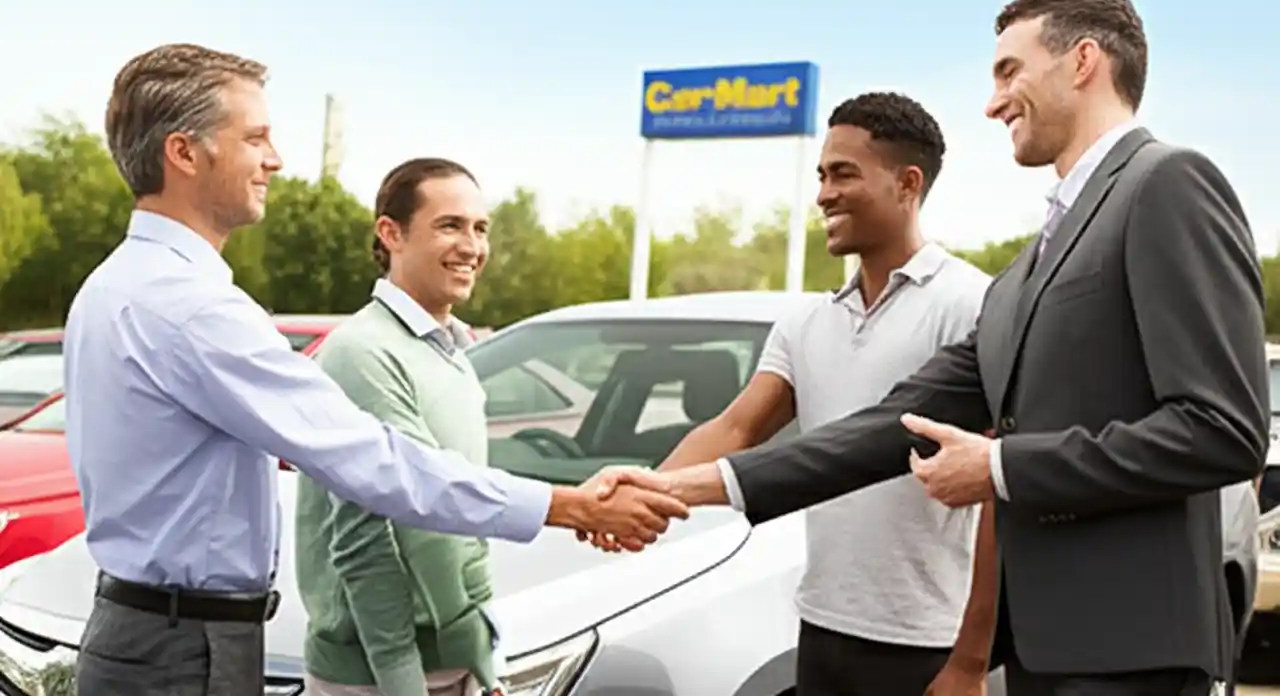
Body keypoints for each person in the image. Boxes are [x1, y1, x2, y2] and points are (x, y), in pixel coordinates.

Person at [616, 0, 1270, 694]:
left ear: (1084, 61)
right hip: (1048, 655)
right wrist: (678, 487)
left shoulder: (1167, 183)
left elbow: (1222, 430)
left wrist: (1001, 468)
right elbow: (886, 428)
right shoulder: (1027, 270)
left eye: (1009, 72)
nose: (993, 103)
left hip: (1132, 655)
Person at [64, 43, 685, 695]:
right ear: (184, 153)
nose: (275, 159)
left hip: (153, 634)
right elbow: (369, 461)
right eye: (255, 137)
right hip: (185, 652)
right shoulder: (191, 307)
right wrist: (567, 505)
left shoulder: (116, 285)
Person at [651, 93, 996, 696]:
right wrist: (637, 493)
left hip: (928, 640)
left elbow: (997, 492)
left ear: (907, 184)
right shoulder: (806, 322)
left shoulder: (971, 304)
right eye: (820, 176)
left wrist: (971, 661)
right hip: (820, 629)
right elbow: (735, 429)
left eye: (843, 174)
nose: (824, 194)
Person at [295, 157, 510, 696]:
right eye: (450, 226)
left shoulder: (451, 349)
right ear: (391, 234)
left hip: (451, 664)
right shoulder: (363, 352)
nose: (471, 246)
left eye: (480, 228)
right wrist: (401, 681)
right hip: (377, 677)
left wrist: (483, 664)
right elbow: (363, 537)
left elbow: (462, 520)